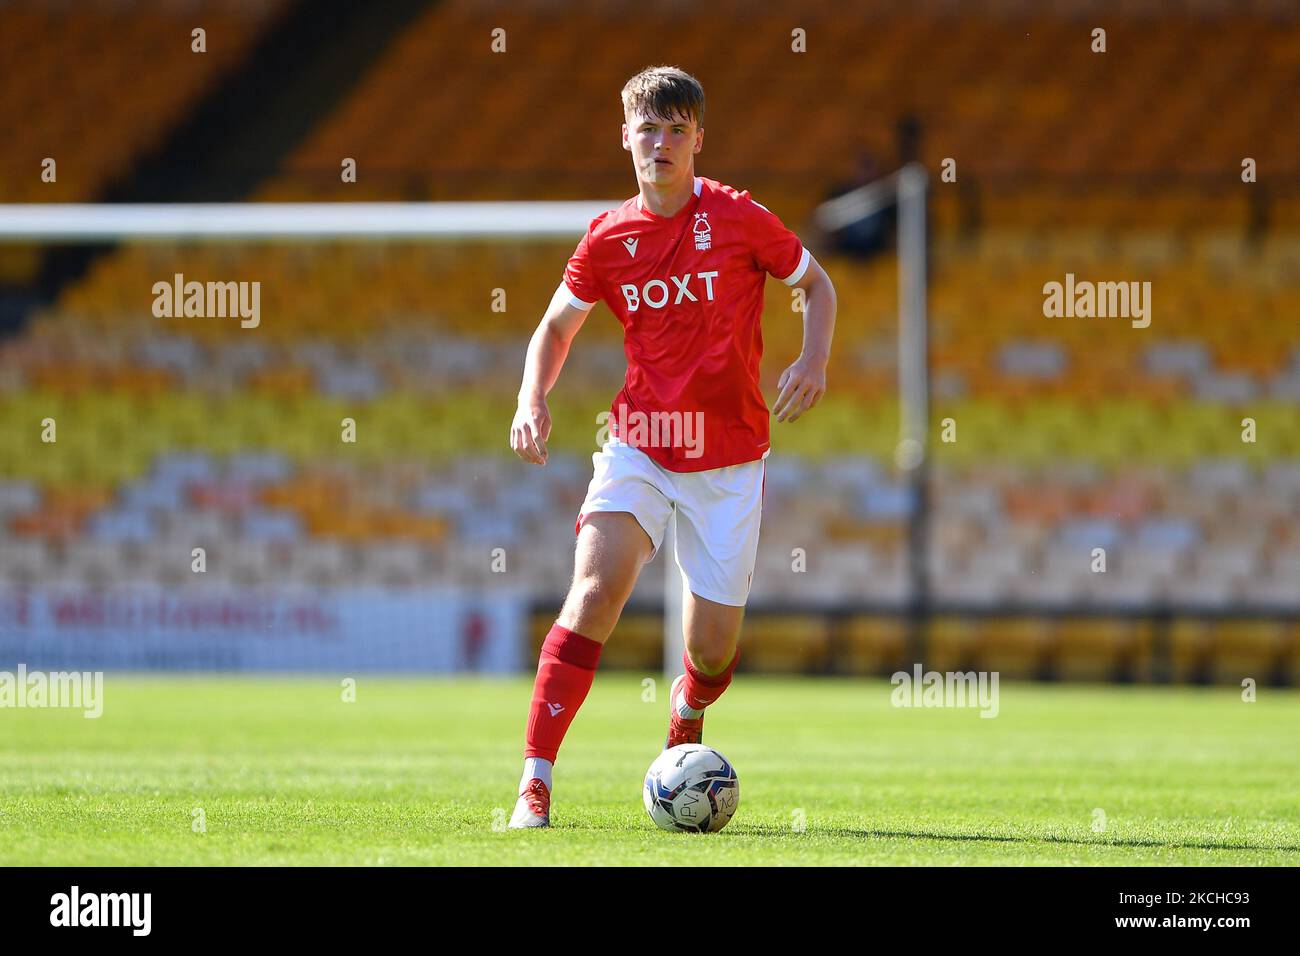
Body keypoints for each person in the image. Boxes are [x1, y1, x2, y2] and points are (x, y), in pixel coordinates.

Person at [507, 65, 837, 827]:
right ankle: (535, 782)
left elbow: (817, 285)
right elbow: (555, 327)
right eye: (647, 130)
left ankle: (687, 711)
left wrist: (813, 358)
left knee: (715, 654)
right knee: (594, 593)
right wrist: (532, 397)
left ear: (698, 140)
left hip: (730, 459)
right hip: (641, 446)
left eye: (676, 130)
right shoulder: (608, 238)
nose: (660, 143)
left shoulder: (740, 218)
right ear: (625, 136)